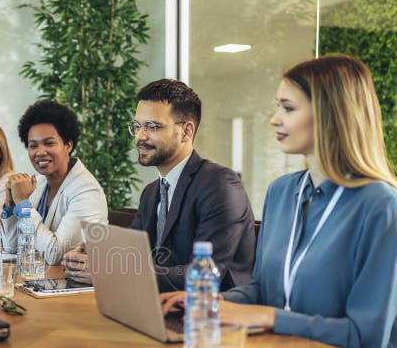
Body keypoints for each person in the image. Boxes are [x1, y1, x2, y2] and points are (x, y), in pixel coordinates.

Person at [161, 54, 397, 348]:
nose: (274, 118)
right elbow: (262, 290)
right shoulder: (282, 192)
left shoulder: (380, 206)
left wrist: (267, 317)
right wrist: (209, 300)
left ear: (330, 115)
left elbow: (366, 338)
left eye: (288, 107)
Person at [63, 79, 255, 291]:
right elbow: (135, 254)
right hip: (157, 305)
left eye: (152, 126)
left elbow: (203, 274)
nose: (140, 136)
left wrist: (111, 271)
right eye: (137, 126)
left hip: (210, 314)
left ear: (186, 131)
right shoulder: (152, 192)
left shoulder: (220, 185)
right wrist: (100, 255)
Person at [1, 100, 108, 265]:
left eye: (49, 143)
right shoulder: (40, 184)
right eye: (33, 146)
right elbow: (12, 247)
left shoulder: (86, 190)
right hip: (42, 282)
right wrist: (10, 204)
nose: (40, 152)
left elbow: (56, 255)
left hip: (76, 287)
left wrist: (22, 203)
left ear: (68, 145)